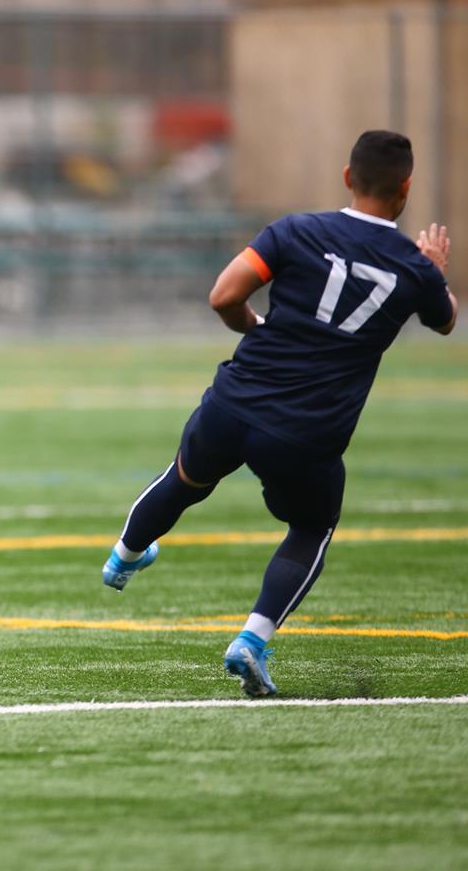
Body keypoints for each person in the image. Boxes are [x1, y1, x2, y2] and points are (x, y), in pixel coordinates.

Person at [102, 130, 456, 697]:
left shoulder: (296, 230)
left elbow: (223, 296)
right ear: (406, 187)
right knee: (312, 526)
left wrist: (257, 326)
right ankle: (252, 640)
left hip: (236, 399)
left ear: (347, 176)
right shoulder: (412, 267)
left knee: (187, 477)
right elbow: (445, 321)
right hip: (305, 431)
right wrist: (434, 269)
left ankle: (123, 556)